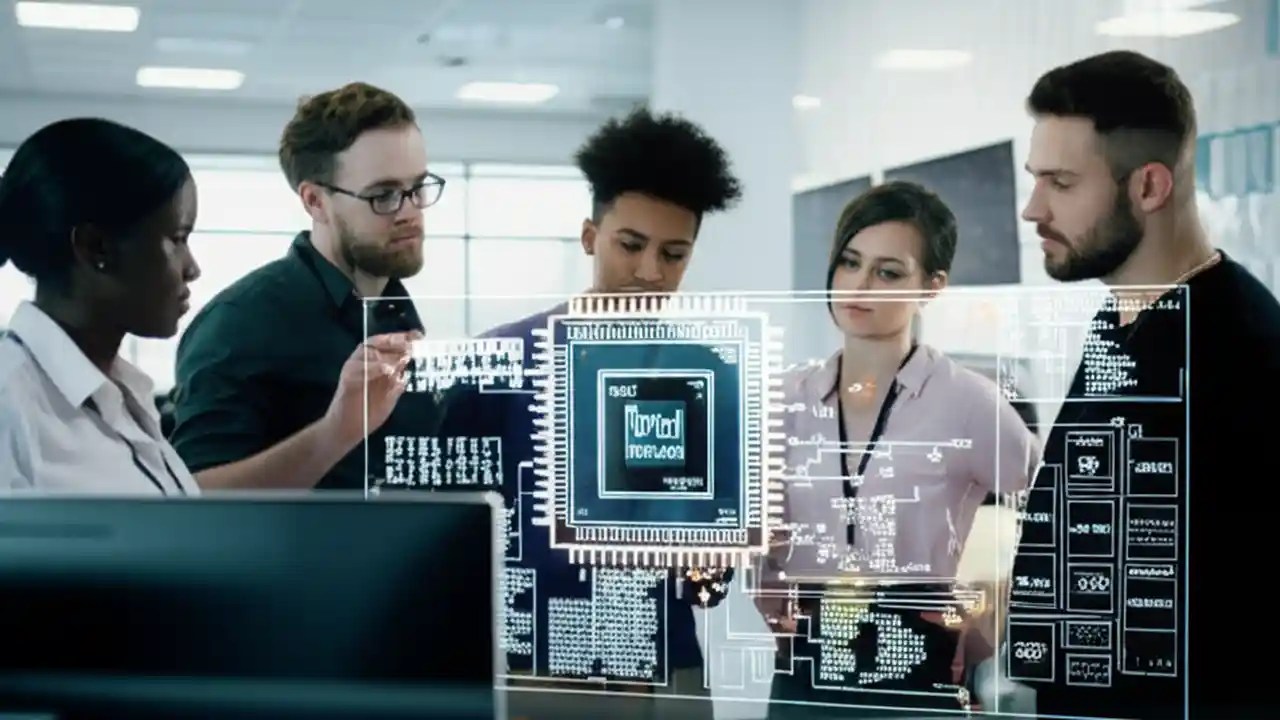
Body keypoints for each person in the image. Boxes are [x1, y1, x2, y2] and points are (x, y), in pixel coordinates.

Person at [438, 107, 742, 720]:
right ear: (589, 236)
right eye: (631, 245)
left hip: (666, 670)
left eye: (674, 254)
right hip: (538, 669)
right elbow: (448, 543)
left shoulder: (709, 377)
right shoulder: (500, 363)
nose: (651, 272)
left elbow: (712, 582)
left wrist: (709, 561)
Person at [1008, 50, 1280, 719]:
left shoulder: (1244, 349)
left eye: (1062, 184)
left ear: (1149, 188)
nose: (1031, 208)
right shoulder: (1124, 315)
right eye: (1034, 178)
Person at [757, 181, 1040, 718]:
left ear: (931, 287)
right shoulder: (783, 400)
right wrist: (764, 582)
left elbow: (1069, 510)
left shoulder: (968, 402)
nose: (859, 285)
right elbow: (754, 527)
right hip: (804, 667)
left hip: (916, 665)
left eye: (888, 272)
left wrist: (997, 605)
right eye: (849, 262)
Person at [169, 82, 431, 491]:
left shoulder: (395, 312)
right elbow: (198, 497)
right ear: (314, 201)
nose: (410, 212)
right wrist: (335, 432)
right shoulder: (240, 323)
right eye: (384, 195)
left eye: (418, 188)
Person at [0, 118, 201, 494]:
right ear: (97, 248)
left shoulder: (124, 393)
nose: (192, 268)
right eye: (177, 239)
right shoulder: (11, 403)